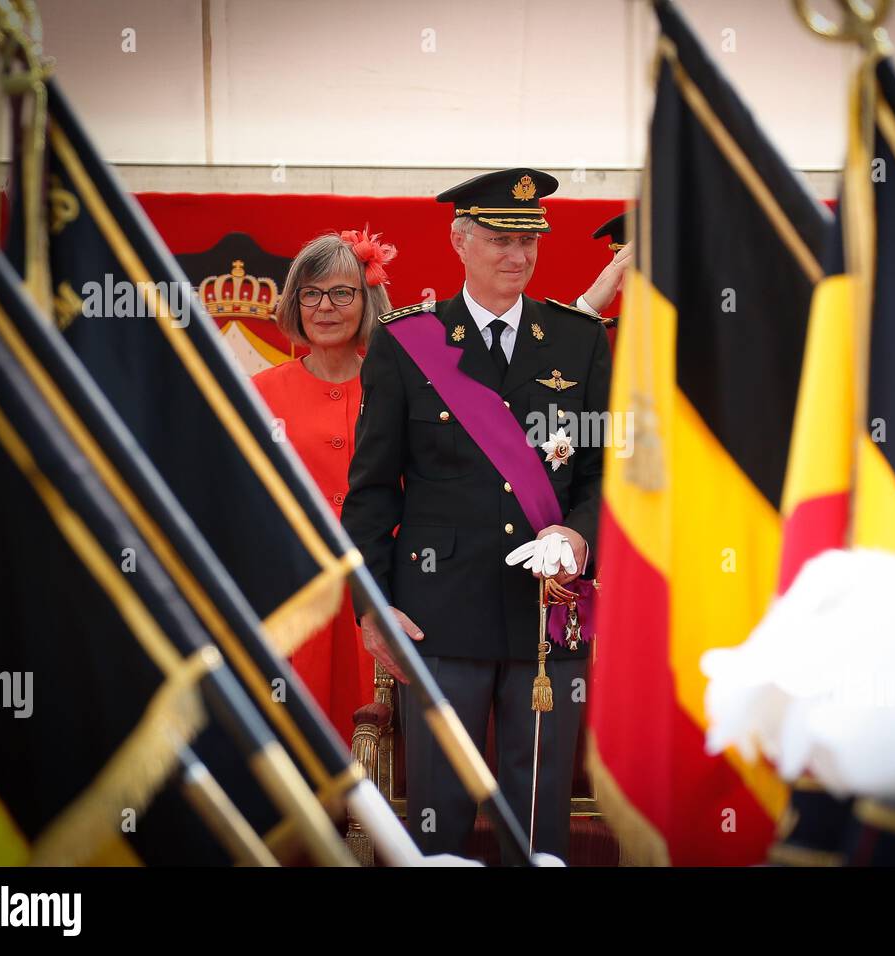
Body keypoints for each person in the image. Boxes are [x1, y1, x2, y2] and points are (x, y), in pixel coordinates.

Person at [342, 168, 621, 860]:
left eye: (528, 241)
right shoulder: (408, 342)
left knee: (540, 811)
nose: (517, 256)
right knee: (440, 810)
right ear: (459, 241)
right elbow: (373, 490)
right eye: (499, 239)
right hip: (440, 613)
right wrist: (370, 605)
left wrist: (578, 537)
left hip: (547, 613)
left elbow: (602, 472)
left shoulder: (579, 341)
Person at [252, 228, 396, 745]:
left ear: (366, 300)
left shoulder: (396, 387)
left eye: (341, 292)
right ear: (294, 303)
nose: (325, 306)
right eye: (310, 293)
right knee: (299, 739)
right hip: (295, 594)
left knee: (376, 740)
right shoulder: (258, 394)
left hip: (376, 594)